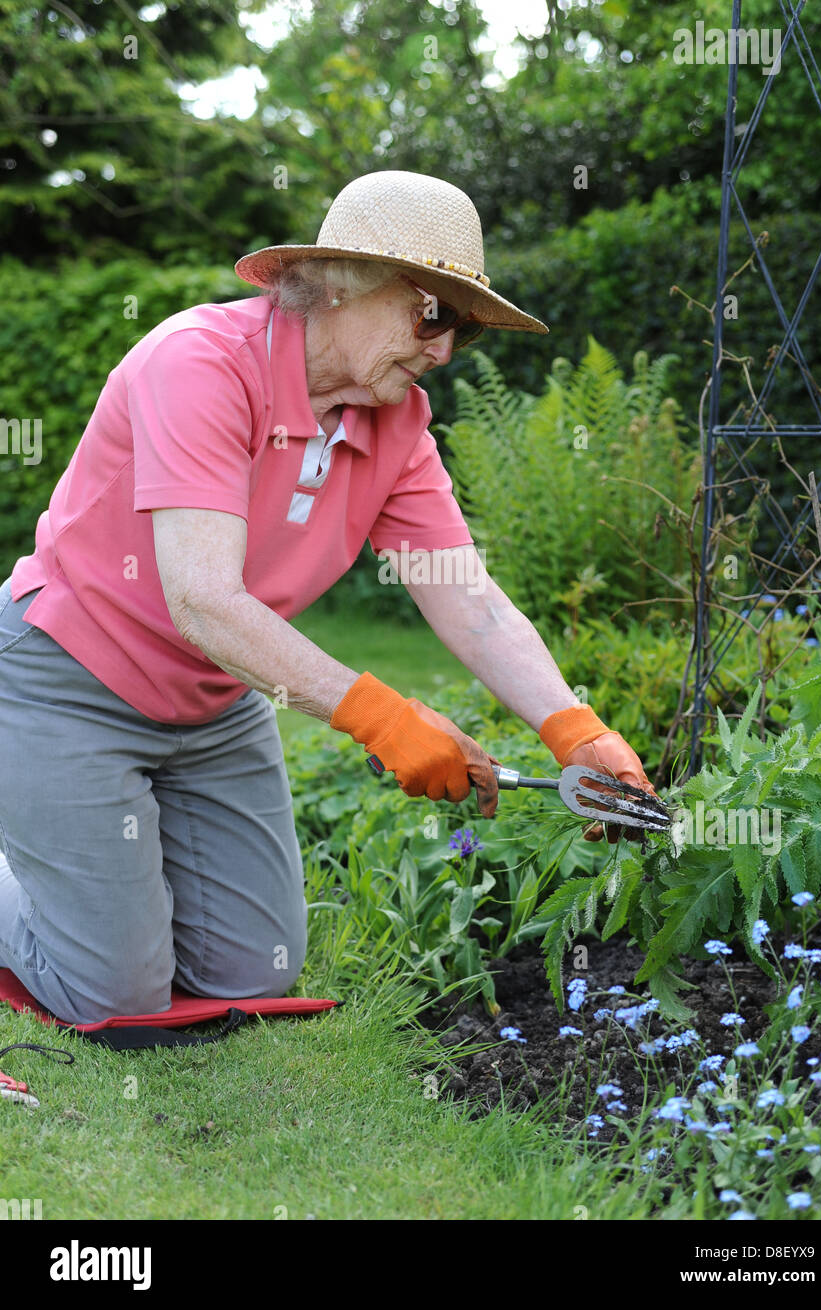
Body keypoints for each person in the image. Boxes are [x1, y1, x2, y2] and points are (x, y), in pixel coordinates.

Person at [0, 169, 658, 1026]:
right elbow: (203, 601)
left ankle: (97, 876)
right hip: (67, 681)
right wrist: (383, 718)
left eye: (460, 327)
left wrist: (575, 729)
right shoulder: (198, 362)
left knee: (252, 975)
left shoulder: (397, 420)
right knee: (111, 995)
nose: (443, 349)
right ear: (344, 282)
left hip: (212, 704)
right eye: (431, 314)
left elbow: (465, 594)